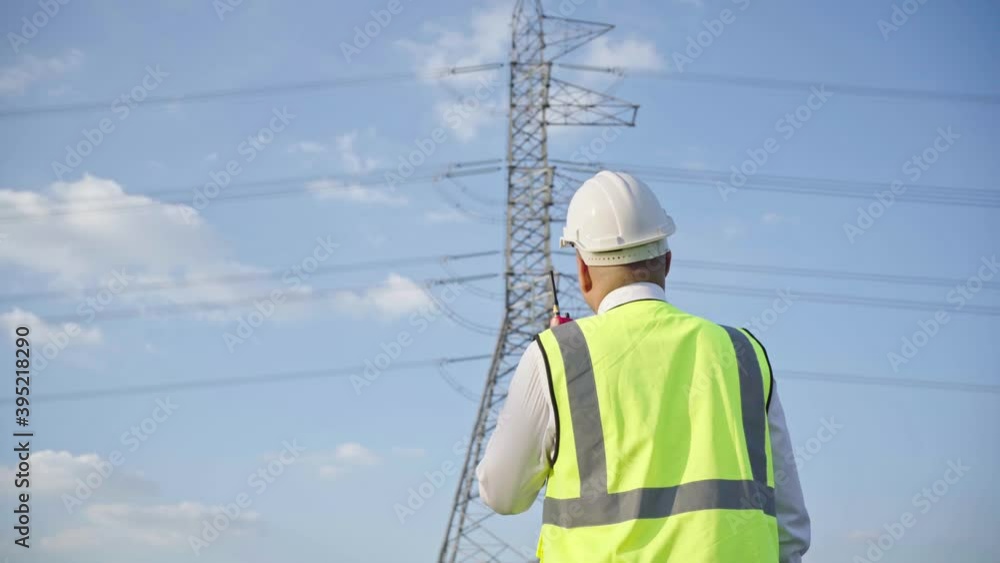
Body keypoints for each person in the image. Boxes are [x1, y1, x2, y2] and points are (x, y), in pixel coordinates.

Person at [475, 171, 810, 562]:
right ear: (667, 261)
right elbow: (789, 529)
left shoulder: (556, 357)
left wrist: (552, 363)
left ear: (583, 271)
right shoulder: (744, 354)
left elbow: (502, 493)